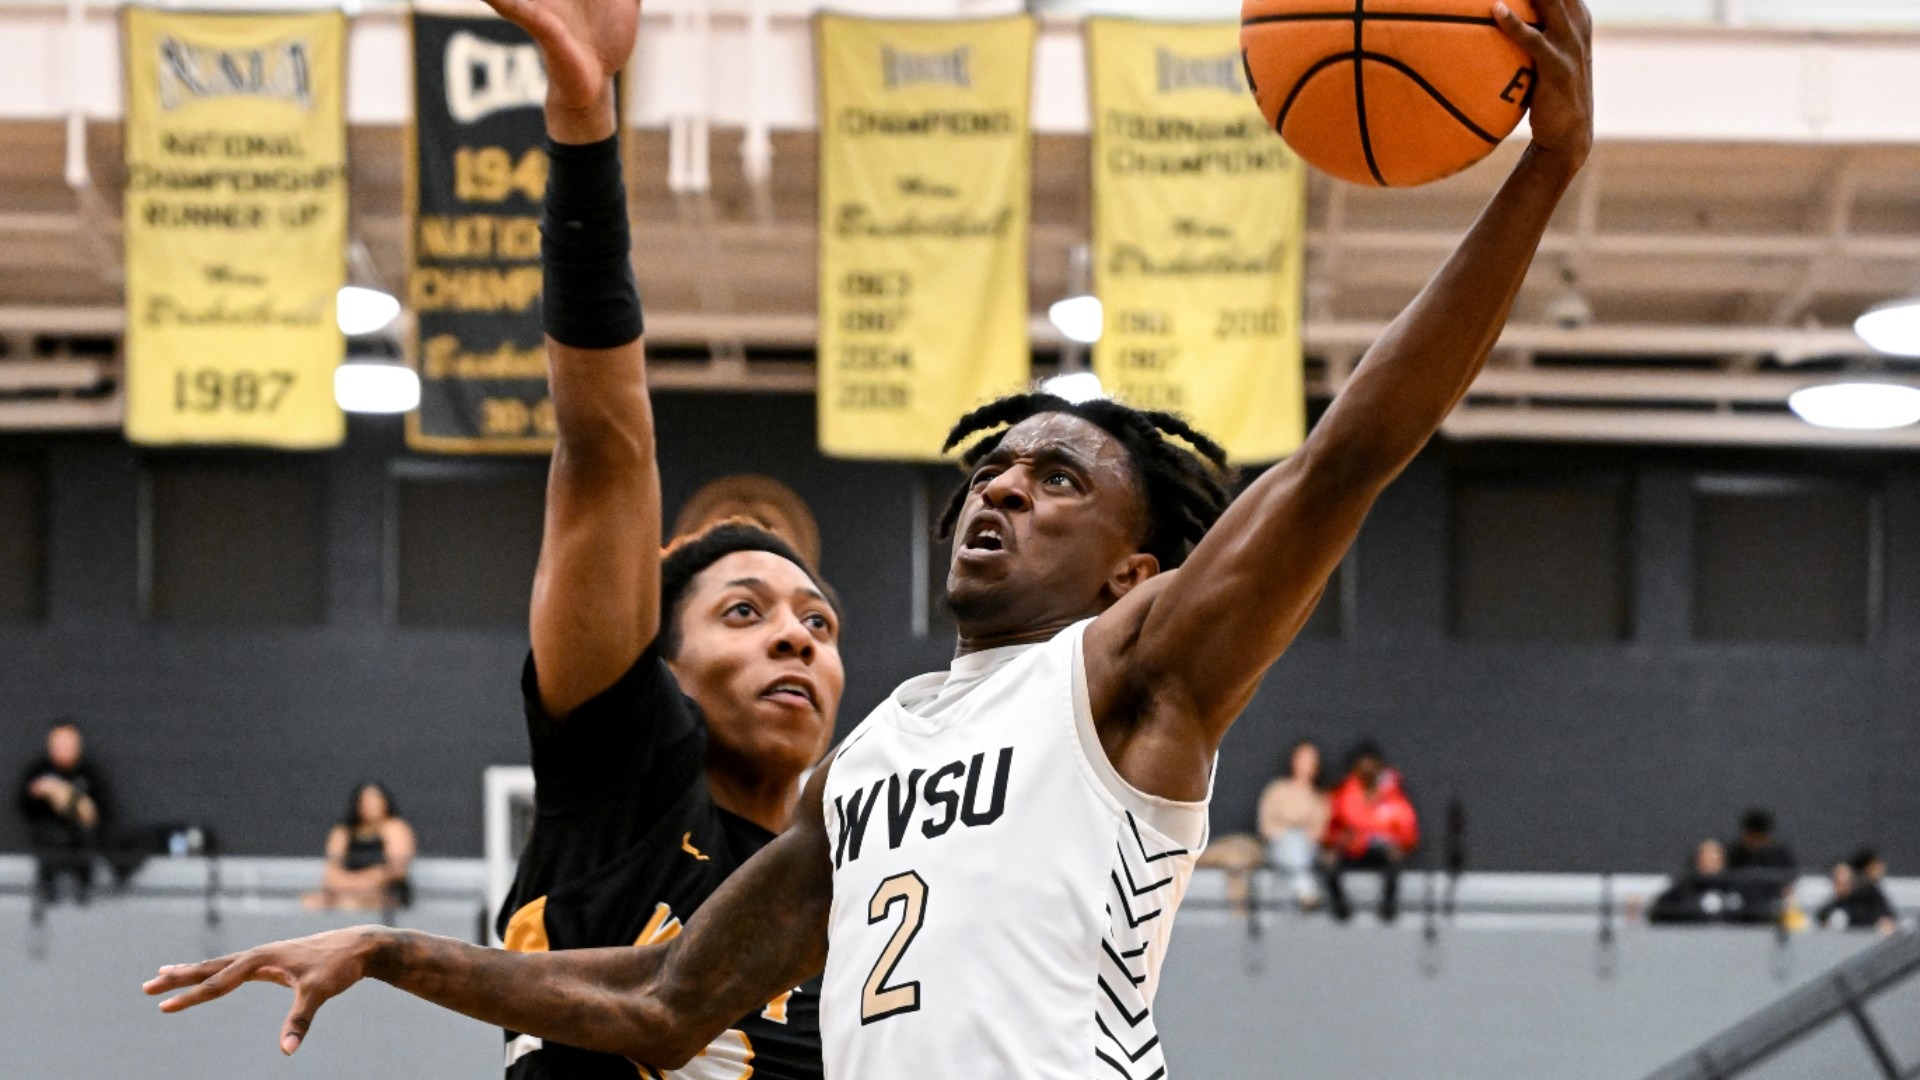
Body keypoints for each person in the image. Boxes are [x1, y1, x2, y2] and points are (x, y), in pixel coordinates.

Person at [144, 0, 1595, 1074]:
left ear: (1136, 573)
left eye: (1057, 481)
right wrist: (393, 949)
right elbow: (667, 999)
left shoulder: (1133, 671)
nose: (1001, 490)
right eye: (994, 468)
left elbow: (1350, 455)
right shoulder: (877, 753)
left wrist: (1541, 174)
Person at [1318, 741, 1419, 923]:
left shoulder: (1393, 796)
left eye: (1372, 765)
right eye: (1362, 766)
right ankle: (1340, 904)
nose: (1367, 770)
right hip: (1351, 848)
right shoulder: (1343, 794)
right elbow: (1329, 830)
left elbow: (1408, 832)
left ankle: (1388, 905)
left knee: (1395, 855)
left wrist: (1395, 841)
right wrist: (1339, 838)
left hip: (1379, 850)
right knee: (1328, 859)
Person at [17, 720, 108, 905]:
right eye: (59, 743)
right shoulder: (39, 770)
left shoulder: (88, 774)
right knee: (50, 837)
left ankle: (83, 886)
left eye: (69, 743)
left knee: (84, 837)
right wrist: (37, 791)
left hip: (80, 836)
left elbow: (101, 810)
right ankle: (48, 888)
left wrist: (69, 797)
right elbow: (23, 805)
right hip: (48, 834)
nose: (64, 748)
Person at [305, 783, 416, 912]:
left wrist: (363, 882)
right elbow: (331, 873)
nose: (370, 805)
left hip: (385, 893)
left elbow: (395, 870)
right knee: (312, 903)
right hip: (346, 891)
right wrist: (349, 884)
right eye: (365, 801)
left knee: (350, 905)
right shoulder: (343, 831)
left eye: (375, 800)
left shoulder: (394, 827)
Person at [1257, 740, 1329, 910]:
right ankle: (1307, 891)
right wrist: (1288, 834)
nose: (1306, 764)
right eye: (1302, 759)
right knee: (1291, 840)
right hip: (1278, 847)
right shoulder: (1277, 790)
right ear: (1293, 761)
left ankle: (1305, 891)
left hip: (1306, 850)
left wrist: (1299, 835)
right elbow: (1266, 825)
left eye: (1310, 760)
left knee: (1297, 840)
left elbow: (1319, 831)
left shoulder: (1319, 798)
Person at [1725, 808, 1797, 925]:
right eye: (1752, 837)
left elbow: (1789, 880)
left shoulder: (1781, 854)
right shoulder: (1734, 853)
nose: (1755, 842)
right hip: (1740, 910)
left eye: (1759, 837)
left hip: (1772, 906)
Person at [1648, 839, 1742, 924]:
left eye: (1715, 859)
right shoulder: (1683, 888)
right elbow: (1660, 911)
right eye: (1706, 858)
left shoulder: (1735, 887)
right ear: (1697, 860)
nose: (1711, 863)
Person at [1816, 850, 1898, 934]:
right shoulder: (1835, 904)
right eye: (1837, 882)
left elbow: (1887, 915)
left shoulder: (1870, 895)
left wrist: (1884, 921)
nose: (1841, 886)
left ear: (1852, 880)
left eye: (1845, 882)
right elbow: (1822, 917)